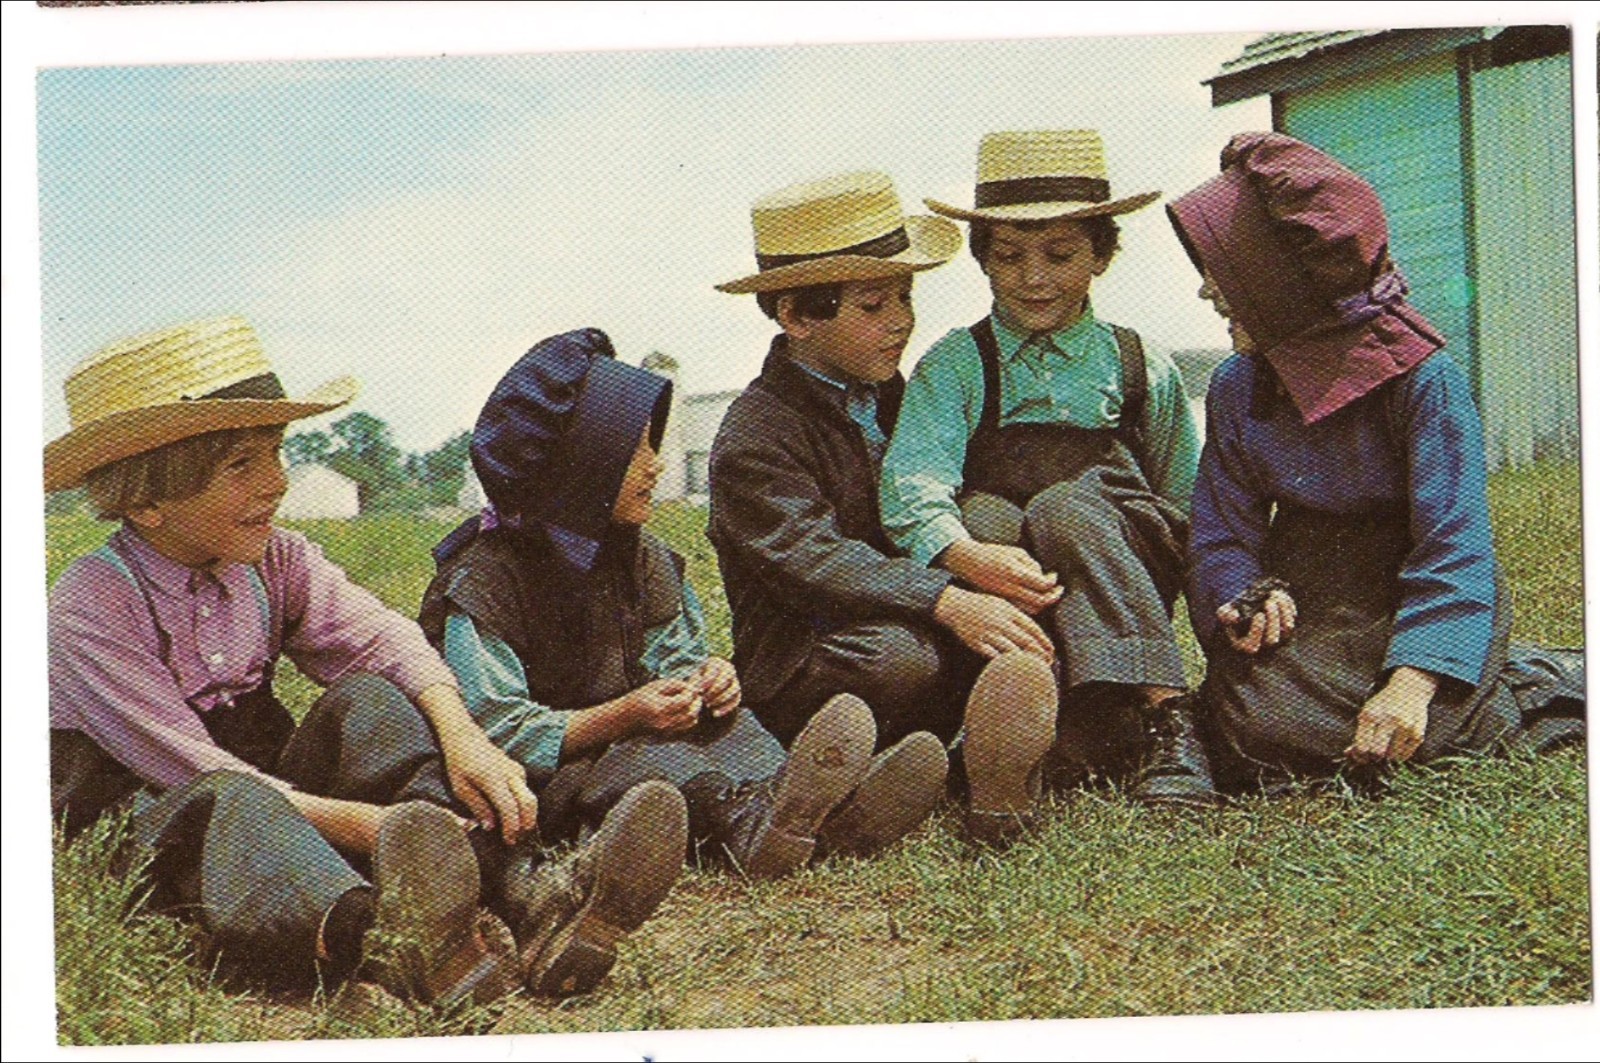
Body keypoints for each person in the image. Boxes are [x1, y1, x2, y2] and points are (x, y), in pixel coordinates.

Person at [46, 316, 678, 1006]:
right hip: (161, 823)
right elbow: (191, 769)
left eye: (277, 452)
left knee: (372, 698)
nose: (276, 483)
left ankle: (528, 895)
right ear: (145, 501)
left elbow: (382, 636)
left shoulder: (273, 558)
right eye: (241, 464)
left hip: (274, 793)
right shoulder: (90, 603)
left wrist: (462, 736)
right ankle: (388, 936)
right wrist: (371, 826)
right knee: (234, 804)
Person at [420, 327, 945, 881]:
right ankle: (756, 832)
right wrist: (621, 715)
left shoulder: (644, 558)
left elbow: (676, 656)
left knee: (732, 730)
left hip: (642, 731)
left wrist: (707, 680)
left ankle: (809, 814)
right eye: (637, 450)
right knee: (652, 764)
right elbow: (495, 729)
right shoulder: (485, 580)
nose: (657, 465)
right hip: (554, 774)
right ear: (582, 465)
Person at [1166, 131, 1586, 791]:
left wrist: (1413, 681)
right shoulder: (1237, 386)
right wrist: (1243, 595)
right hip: (1310, 593)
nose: (1207, 295)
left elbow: (1455, 548)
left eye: (1227, 275)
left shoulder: (1424, 383)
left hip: (1413, 585)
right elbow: (1221, 531)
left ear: (1288, 281)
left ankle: (1539, 685)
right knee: (1253, 732)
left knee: (1429, 732)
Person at [709, 170, 1062, 847]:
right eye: (873, 305)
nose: (901, 319)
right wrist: (946, 599)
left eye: (904, 294)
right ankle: (853, 761)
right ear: (796, 316)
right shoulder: (756, 432)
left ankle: (983, 761)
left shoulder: (903, 397)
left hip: (909, 619)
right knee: (902, 658)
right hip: (810, 657)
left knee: (992, 542)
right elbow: (811, 557)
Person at [880, 130, 1217, 807]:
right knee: (985, 516)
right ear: (982, 261)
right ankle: (1029, 715)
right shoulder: (955, 365)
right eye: (1009, 256)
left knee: (1066, 507)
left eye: (1060, 254)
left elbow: (1184, 497)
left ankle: (1166, 712)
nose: (1034, 277)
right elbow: (913, 477)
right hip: (1015, 585)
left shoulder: (1138, 362)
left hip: (1118, 561)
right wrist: (964, 551)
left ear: (1101, 253)